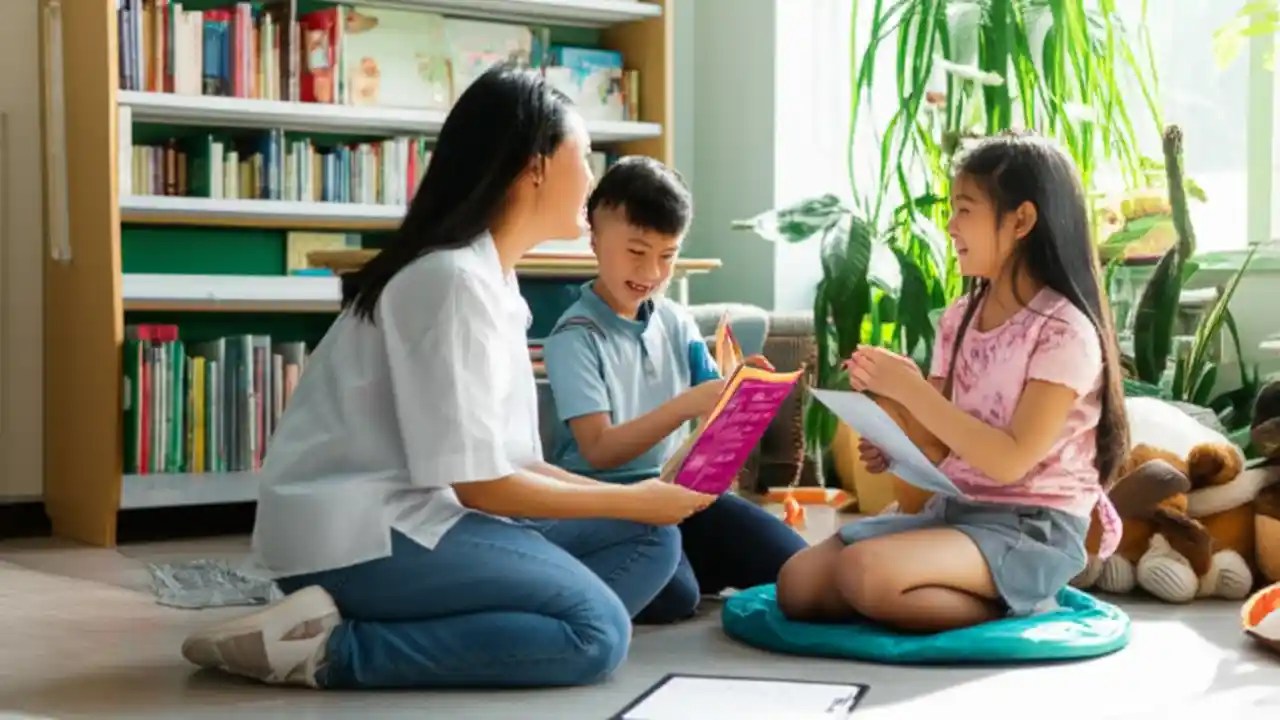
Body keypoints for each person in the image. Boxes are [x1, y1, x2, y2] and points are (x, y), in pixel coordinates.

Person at [179, 65, 716, 690]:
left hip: (431, 515)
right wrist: (631, 497)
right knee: (597, 633)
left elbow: (516, 461)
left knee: (652, 541)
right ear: (534, 164)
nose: (593, 178)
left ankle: (485, 619)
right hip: (362, 533)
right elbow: (483, 486)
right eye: (586, 155)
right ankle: (328, 648)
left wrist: (648, 503)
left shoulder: (491, 279)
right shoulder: (450, 282)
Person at [775, 131, 1129, 633]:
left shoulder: (1064, 330)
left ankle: (1017, 606)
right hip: (959, 511)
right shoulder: (961, 317)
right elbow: (939, 447)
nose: (949, 225)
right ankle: (927, 588)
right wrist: (895, 436)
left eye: (965, 210)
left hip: (1035, 528)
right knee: (798, 585)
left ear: (1022, 220)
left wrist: (912, 391)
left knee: (864, 575)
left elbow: (1009, 460)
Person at [542, 156, 809, 624]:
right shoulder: (574, 337)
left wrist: (743, 391)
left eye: (667, 256)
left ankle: (688, 562)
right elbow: (600, 450)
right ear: (596, 240)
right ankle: (662, 568)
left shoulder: (674, 320)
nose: (651, 271)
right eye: (636, 251)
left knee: (802, 569)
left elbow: (714, 404)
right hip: (607, 510)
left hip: (677, 499)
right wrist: (685, 405)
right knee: (677, 597)